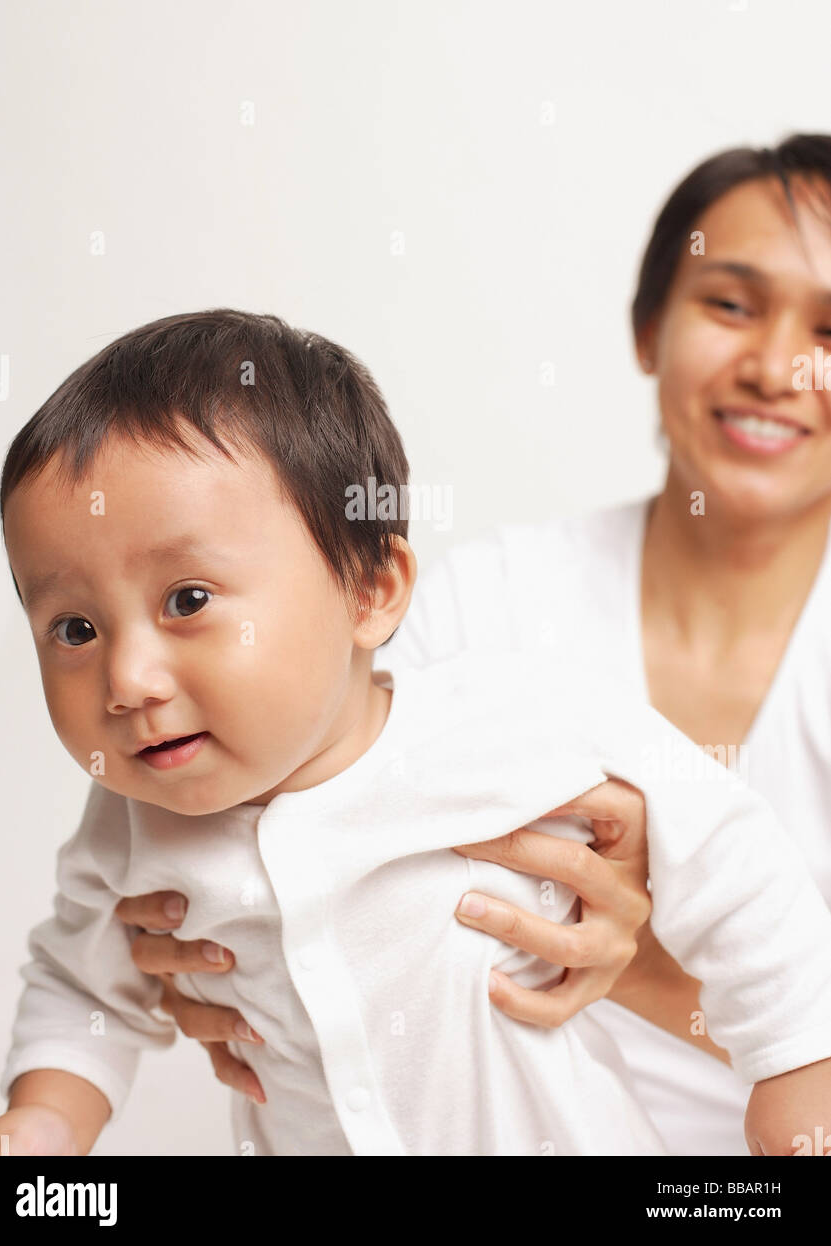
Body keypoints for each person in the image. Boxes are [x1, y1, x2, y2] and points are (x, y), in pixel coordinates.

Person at [115, 135, 831, 1157]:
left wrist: (637, 963)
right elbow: (254, 805)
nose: (772, 367)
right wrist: (181, 926)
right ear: (646, 328)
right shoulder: (478, 610)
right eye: (728, 304)